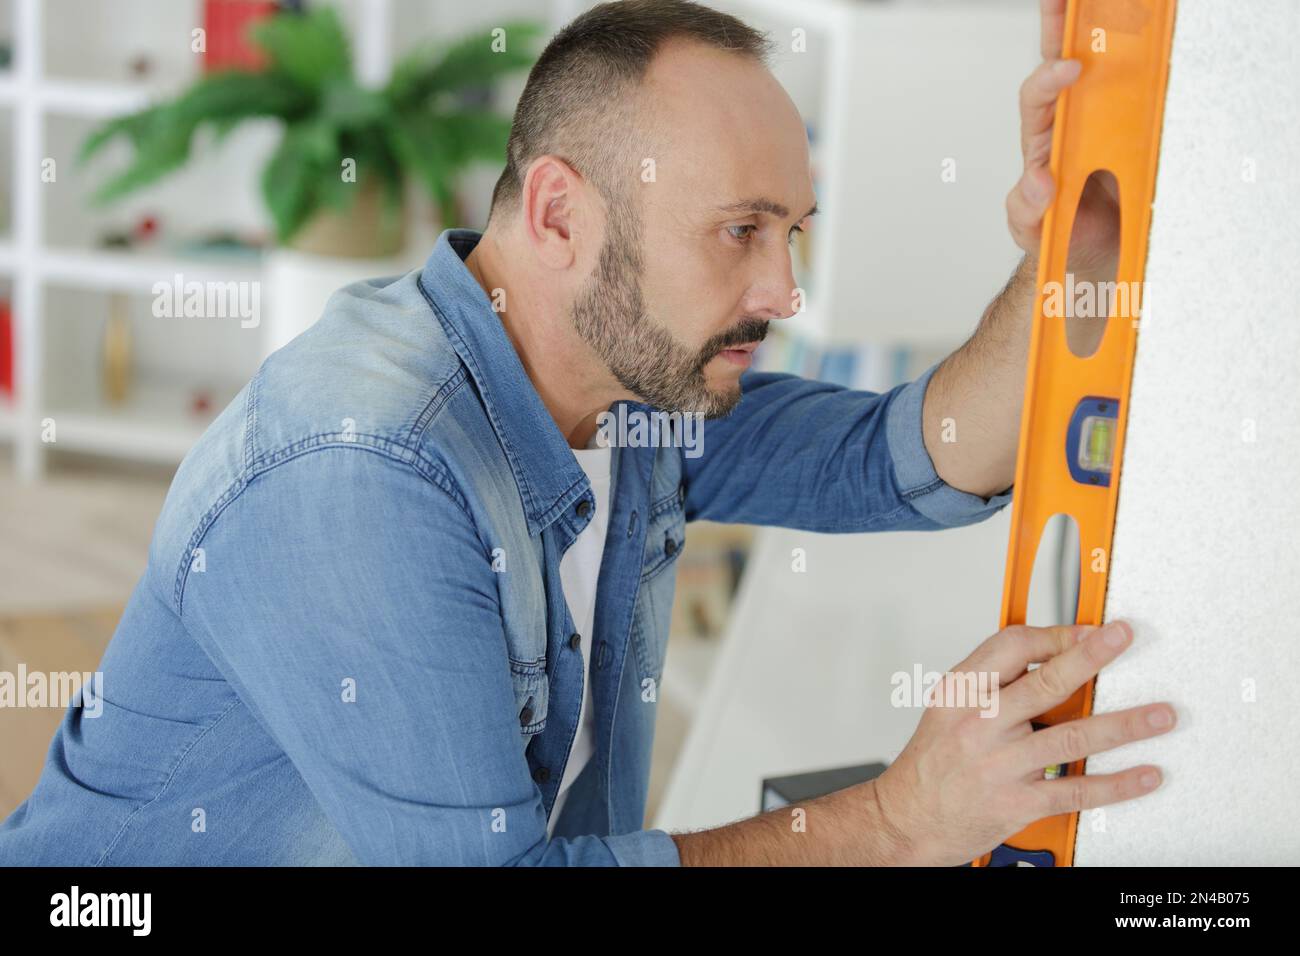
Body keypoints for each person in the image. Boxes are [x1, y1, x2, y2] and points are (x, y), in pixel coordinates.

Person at [0, 0, 1172, 866]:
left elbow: (906, 456)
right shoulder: (362, 468)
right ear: (560, 213)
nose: (783, 289)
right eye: (740, 230)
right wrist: (898, 816)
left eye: (793, 231)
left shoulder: (631, 388)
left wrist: (1070, 259)